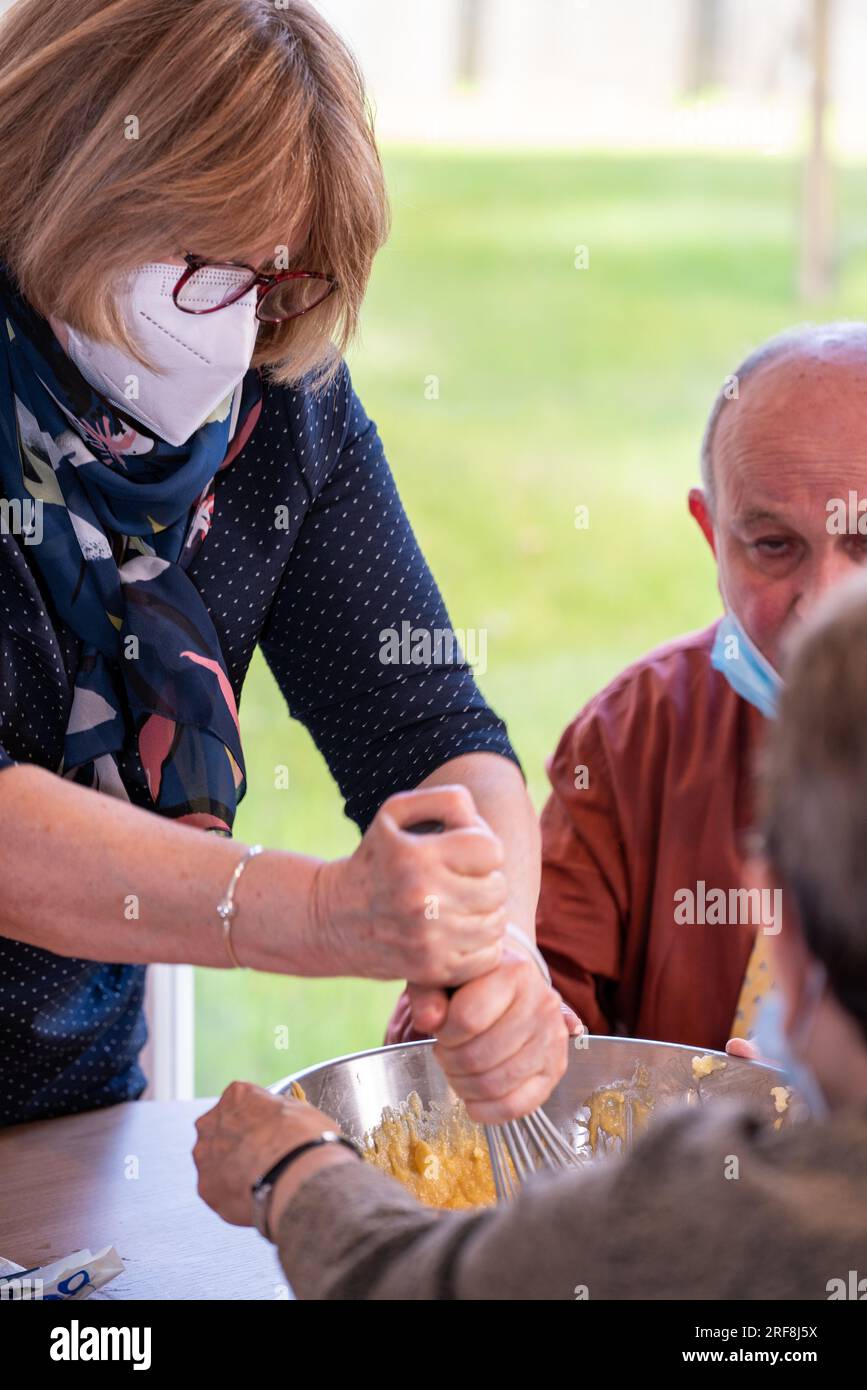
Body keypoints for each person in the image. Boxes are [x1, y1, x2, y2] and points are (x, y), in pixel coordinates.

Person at [0, 0, 570, 1127]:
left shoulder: (278, 402)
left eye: (278, 278)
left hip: (68, 1113)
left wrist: (488, 941)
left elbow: (431, 732)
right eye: (207, 263)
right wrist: (317, 914)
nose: (238, 326)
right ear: (65, 179)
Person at [197, 570, 867, 1300]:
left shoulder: (719, 1216)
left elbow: (401, 1284)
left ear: (781, 929)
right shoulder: (636, 730)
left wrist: (294, 1167)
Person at [533, 322, 867, 1051]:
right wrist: (501, 1025)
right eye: (774, 547)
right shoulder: (636, 737)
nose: (824, 601)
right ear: (712, 537)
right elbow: (521, 989)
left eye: (865, 543)